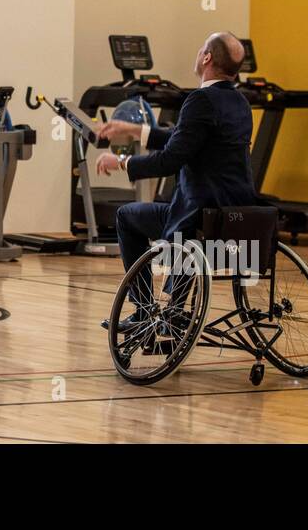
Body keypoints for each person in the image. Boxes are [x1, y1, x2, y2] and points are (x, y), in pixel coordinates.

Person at [94, 32, 259, 330]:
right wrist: (135, 130)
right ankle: (175, 308)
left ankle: (145, 310)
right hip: (238, 219)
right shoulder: (240, 102)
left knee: (127, 217)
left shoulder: (200, 99)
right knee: (180, 214)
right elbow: (188, 139)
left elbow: (171, 158)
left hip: (199, 220)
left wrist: (121, 161)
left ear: (207, 57)